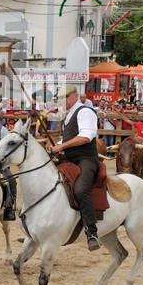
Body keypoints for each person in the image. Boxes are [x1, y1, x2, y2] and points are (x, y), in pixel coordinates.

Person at [50, 86, 100, 250]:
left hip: (86, 159)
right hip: (69, 158)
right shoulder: (68, 114)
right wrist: (54, 146)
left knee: (80, 190)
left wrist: (62, 145)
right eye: (59, 98)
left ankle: (91, 232)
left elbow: (86, 137)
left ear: (75, 96)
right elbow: (68, 137)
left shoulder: (85, 111)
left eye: (64, 97)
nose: (61, 101)